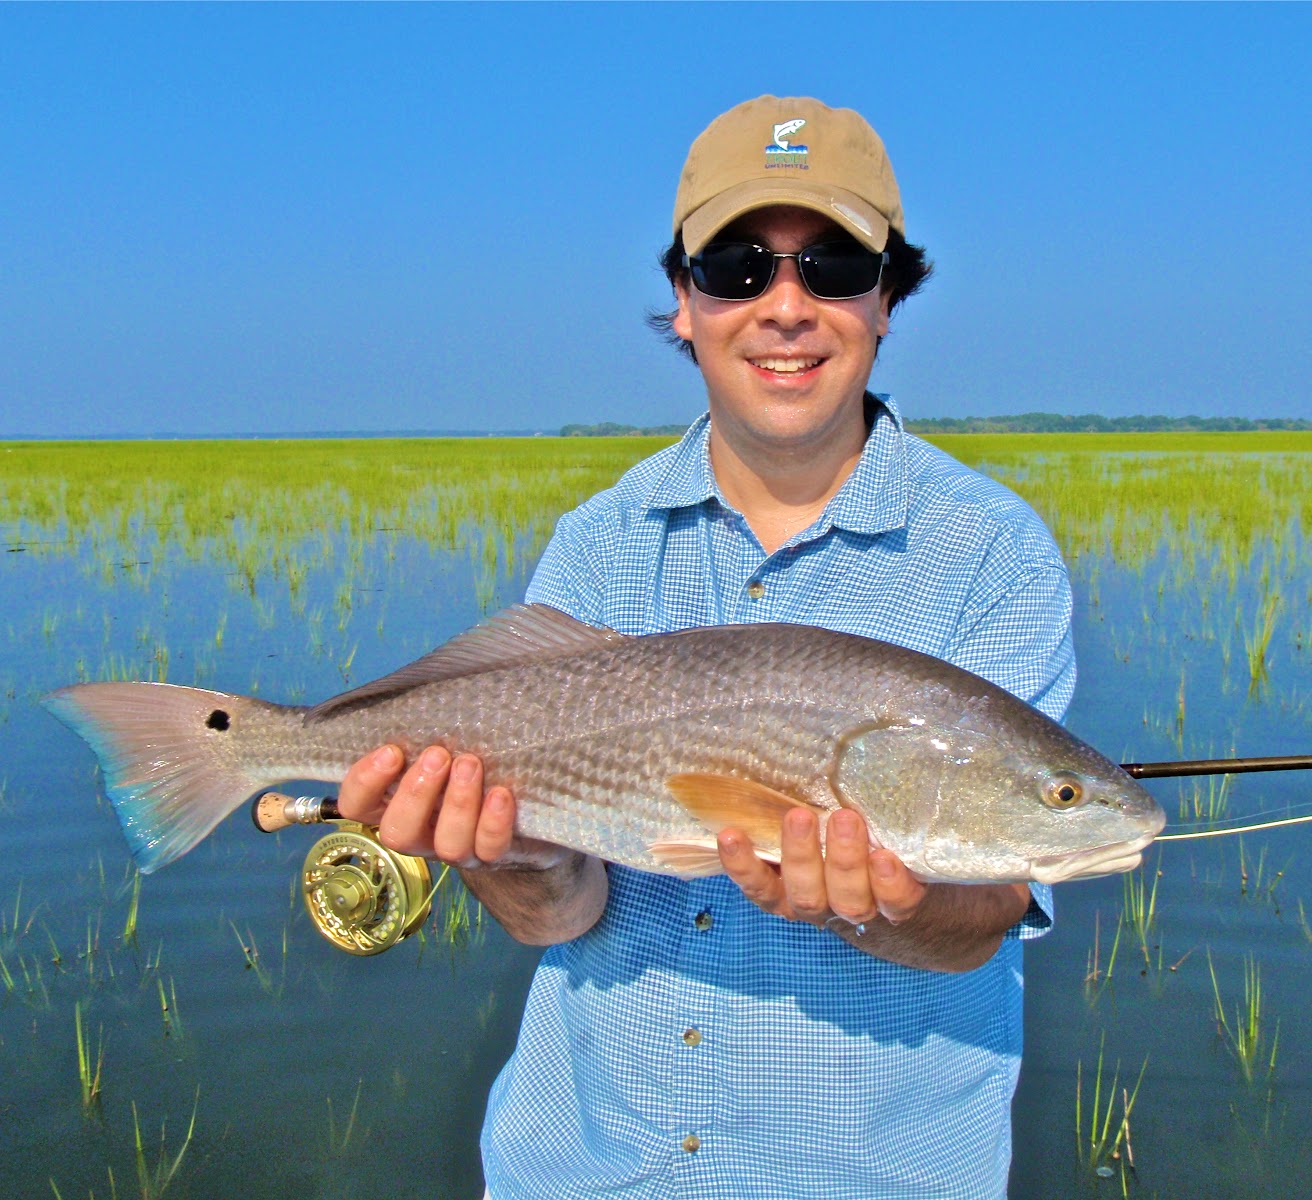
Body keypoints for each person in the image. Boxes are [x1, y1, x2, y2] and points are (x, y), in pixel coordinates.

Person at [337, 95, 1075, 1200]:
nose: (786, 307)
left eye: (832, 266)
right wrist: (505, 850)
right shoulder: (596, 546)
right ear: (682, 303)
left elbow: (990, 914)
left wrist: (896, 899)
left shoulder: (995, 556)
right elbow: (560, 913)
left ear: (887, 300)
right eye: (736, 267)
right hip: (585, 1172)